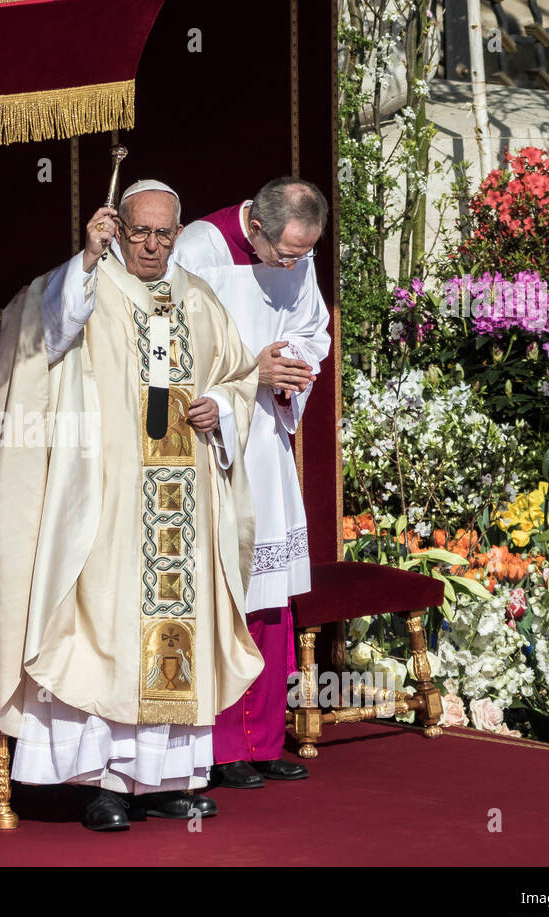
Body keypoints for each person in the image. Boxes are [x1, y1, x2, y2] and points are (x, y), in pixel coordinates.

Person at [0, 180, 262, 831]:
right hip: (107, 499)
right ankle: (103, 784)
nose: (153, 245)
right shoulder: (89, 289)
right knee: (107, 632)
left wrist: (219, 407)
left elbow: (239, 374)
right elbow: (44, 330)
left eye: (165, 234)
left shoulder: (196, 297)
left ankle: (165, 780)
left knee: (173, 636)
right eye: (140, 232)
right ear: (117, 229)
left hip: (181, 500)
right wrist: (86, 257)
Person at [169, 177, 332, 789]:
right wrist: (247, 371)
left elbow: (313, 329)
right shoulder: (200, 249)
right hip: (211, 442)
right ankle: (217, 747)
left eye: (304, 254)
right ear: (256, 228)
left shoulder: (296, 251)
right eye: (287, 253)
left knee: (267, 595)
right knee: (221, 593)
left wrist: (294, 367)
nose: (294, 264)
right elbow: (169, 351)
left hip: (267, 437)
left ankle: (261, 739)